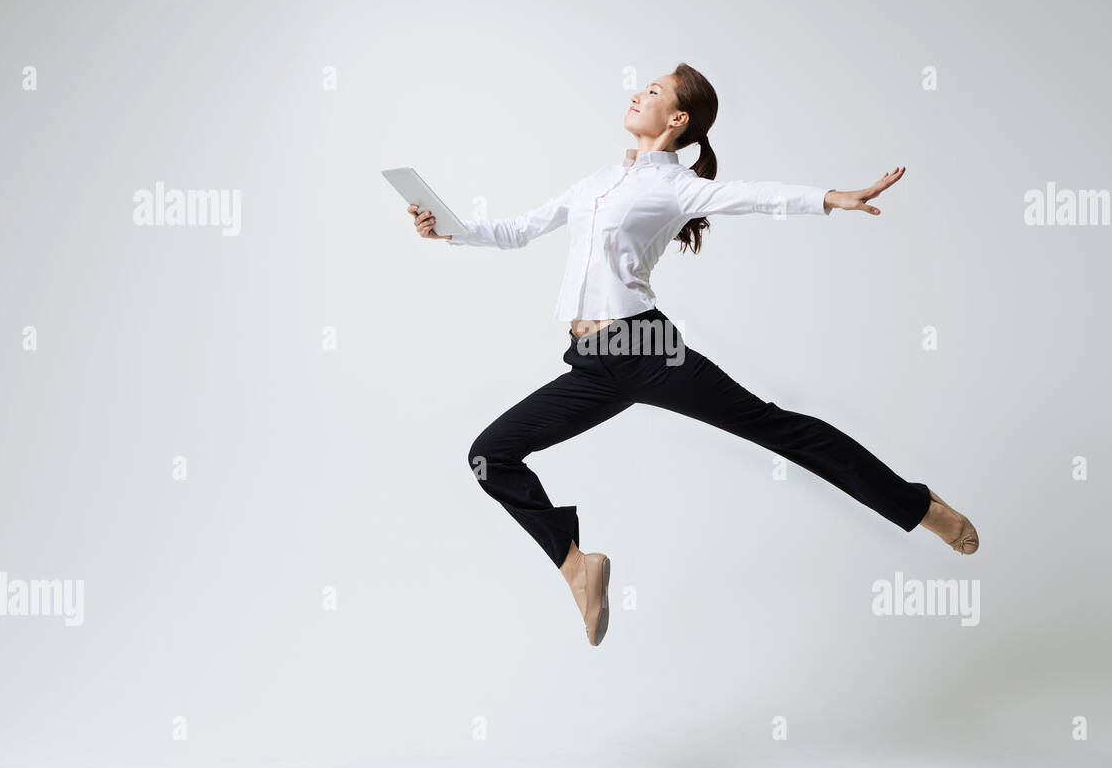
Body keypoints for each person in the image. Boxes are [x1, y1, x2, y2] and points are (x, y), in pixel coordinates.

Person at [407, 63, 979, 646]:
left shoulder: (676, 186)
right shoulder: (597, 181)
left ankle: (919, 507)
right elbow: (518, 230)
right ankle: (577, 566)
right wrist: (447, 228)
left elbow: (755, 197)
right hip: (591, 361)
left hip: (645, 348)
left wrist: (831, 198)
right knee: (491, 455)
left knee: (775, 428)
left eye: (652, 91)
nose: (637, 94)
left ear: (678, 119)